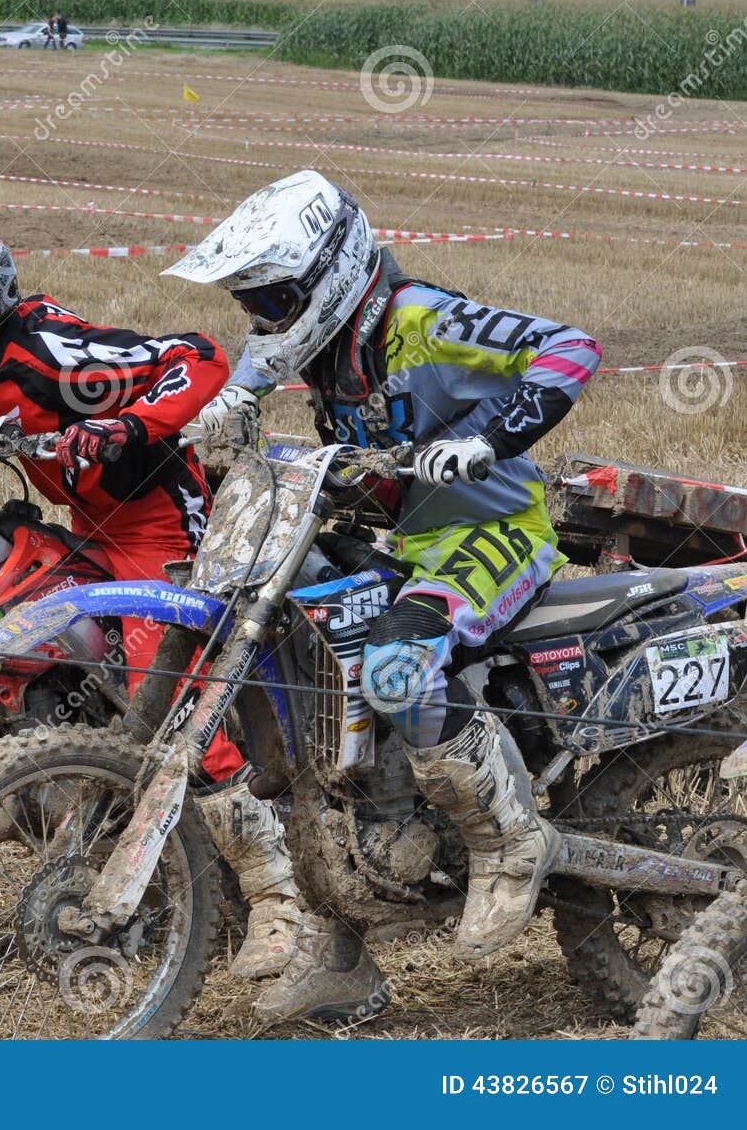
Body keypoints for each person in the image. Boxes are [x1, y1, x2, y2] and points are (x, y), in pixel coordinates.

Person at [167, 169, 601, 1021]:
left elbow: (572, 347)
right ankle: (344, 946)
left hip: (495, 533)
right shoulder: (313, 336)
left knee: (397, 664)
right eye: (255, 298)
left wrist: (481, 439)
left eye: (277, 294)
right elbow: (254, 366)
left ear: (330, 272)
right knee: (304, 683)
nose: (265, 314)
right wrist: (230, 408)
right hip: (407, 541)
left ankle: (509, 840)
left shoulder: (421, 321)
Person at [0, 214, 298, 976]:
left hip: (161, 532)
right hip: (90, 525)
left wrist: (132, 427)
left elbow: (199, 357)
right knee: (7, 628)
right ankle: (55, 780)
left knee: (171, 700)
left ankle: (275, 896)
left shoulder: (53, 356)